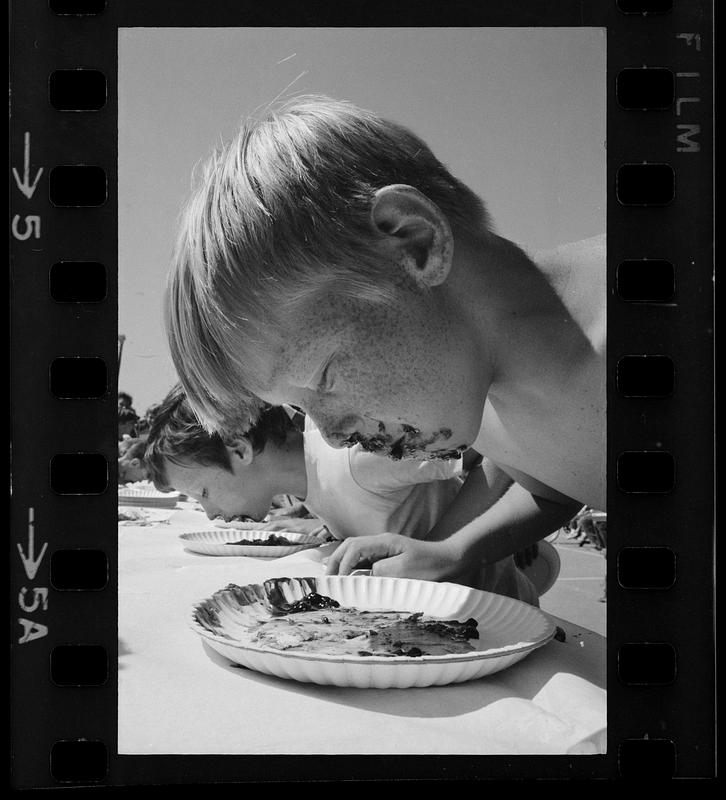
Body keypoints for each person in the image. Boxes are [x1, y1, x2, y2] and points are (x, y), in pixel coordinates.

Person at [164, 95, 604, 583]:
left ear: (416, 244)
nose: (331, 436)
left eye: (323, 378)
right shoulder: (473, 382)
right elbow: (555, 480)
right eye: (300, 407)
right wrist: (455, 550)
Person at [144, 385, 541, 605]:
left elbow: (499, 450)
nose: (210, 513)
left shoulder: (354, 456)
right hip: (442, 615)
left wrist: (440, 550)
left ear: (239, 450)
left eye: (203, 493)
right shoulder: (312, 477)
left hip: (494, 610)